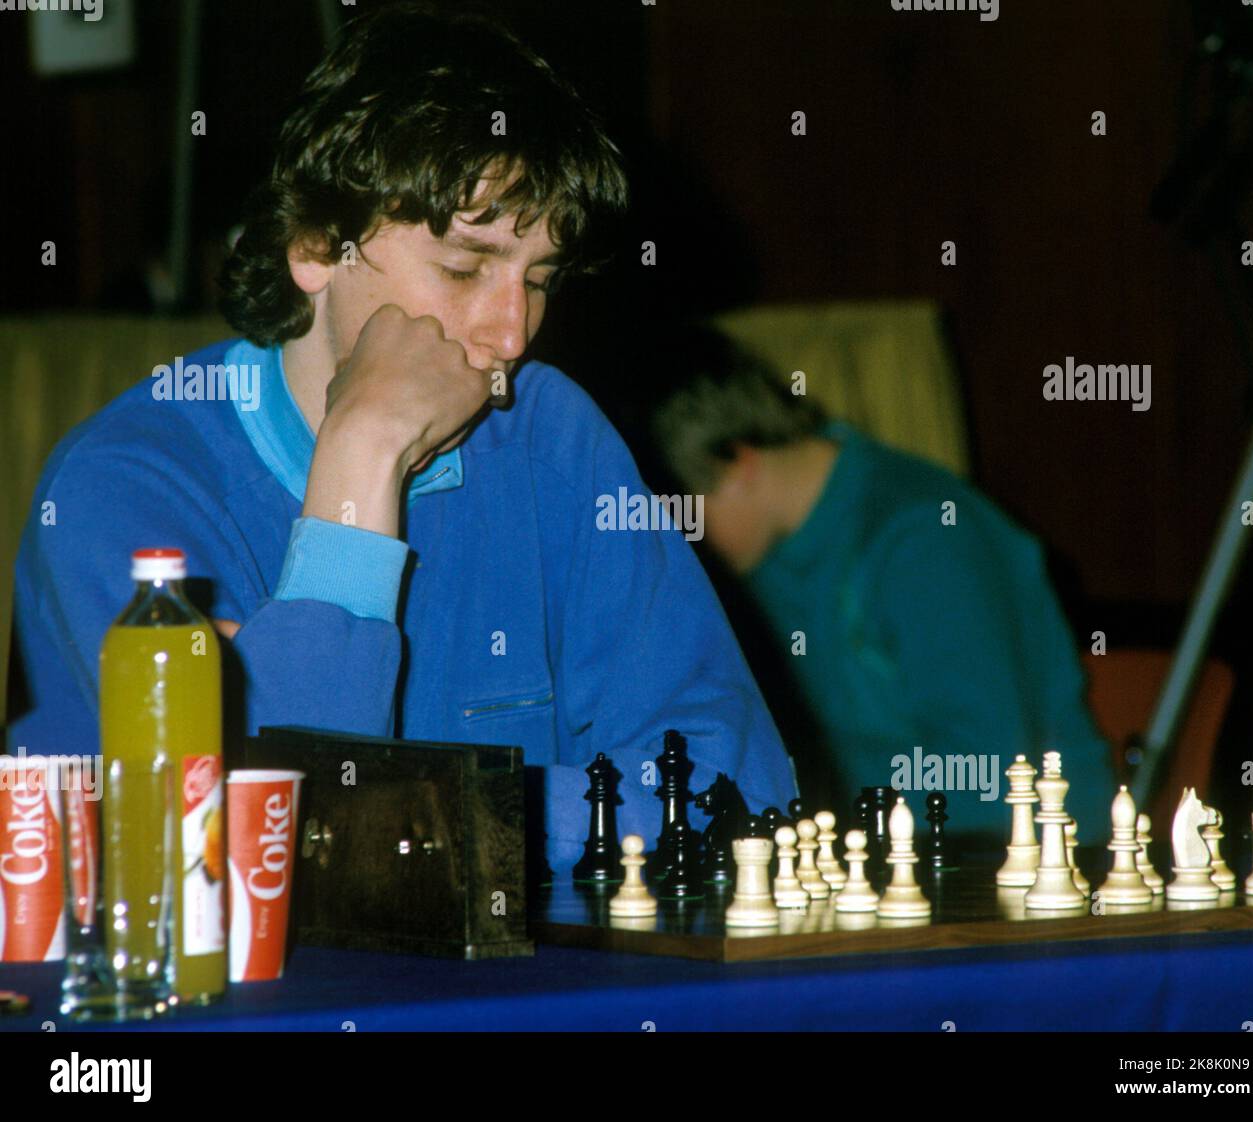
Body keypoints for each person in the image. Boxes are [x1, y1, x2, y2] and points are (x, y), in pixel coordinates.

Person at [6, 5, 797, 869]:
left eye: (539, 278)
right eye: (464, 267)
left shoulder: (551, 436)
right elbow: (260, 859)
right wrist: (361, 456)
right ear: (314, 244)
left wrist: (437, 819)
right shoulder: (120, 486)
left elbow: (737, 788)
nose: (510, 334)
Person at [642, 322, 1114, 841]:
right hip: (894, 856)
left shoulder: (922, 536)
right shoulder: (766, 553)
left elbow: (986, 776)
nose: (679, 540)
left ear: (736, 463)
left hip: (1033, 859)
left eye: (685, 512)